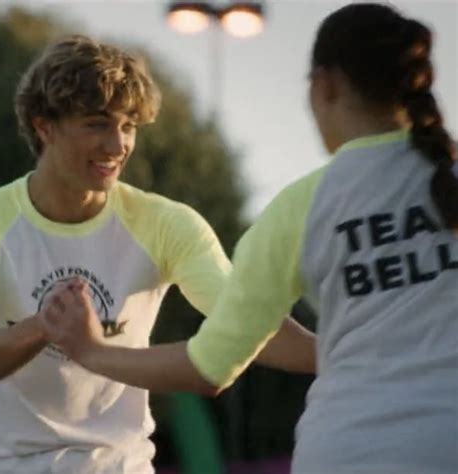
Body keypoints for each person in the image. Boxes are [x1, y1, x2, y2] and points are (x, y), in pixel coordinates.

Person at [40, 3, 458, 474]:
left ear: (325, 85)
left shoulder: (300, 208)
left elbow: (208, 367)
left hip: (349, 451)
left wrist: (90, 350)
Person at [0, 35, 316, 473]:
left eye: (128, 126)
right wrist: (43, 326)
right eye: (97, 123)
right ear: (44, 125)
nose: (117, 144)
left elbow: (245, 323)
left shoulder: (167, 223)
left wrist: (342, 355)